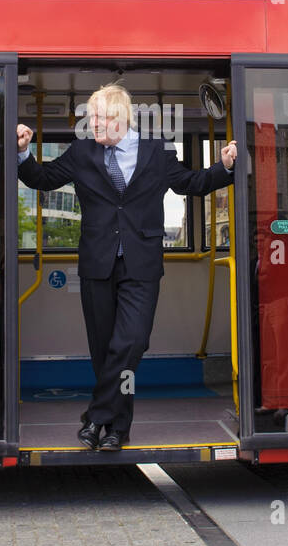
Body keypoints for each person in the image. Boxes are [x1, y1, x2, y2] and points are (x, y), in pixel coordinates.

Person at [17, 83, 236, 451]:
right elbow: (44, 179)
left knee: (130, 343)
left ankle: (96, 417)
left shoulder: (157, 151)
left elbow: (190, 184)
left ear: (120, 118)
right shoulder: (82, 152)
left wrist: (224, 167)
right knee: (105, 352)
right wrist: (23, 153)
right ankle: (118, 428)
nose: (94, 125)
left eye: (100, 118)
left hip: (142, 265)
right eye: (92, 118)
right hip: (97, 265)